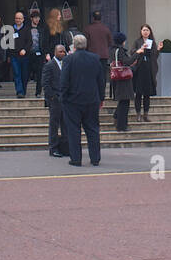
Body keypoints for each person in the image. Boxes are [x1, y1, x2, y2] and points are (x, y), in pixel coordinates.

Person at [60, 33, 105, 167]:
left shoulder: (68, 60)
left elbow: (64, 81)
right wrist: (101, 98)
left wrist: (63, 97)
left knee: (73, 130)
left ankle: (76, 158)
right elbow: (101, 80)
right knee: (93, 130)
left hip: (73, 101)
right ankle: (95, 158)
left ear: (74, 46)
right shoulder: (95, 59)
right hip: (91, 99)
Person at [42, 43, 69, 157]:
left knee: (65, 125)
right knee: (54, 125)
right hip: (54, 100)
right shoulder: (49, 65)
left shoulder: (67, 64)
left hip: (65, 100)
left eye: (64, 51)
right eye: (60, 51)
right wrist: (52, 97)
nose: (63, 53)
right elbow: (46, 83)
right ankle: (53, 148)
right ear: (55, 52)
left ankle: (64, 148)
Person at [131, 24, 158, 121]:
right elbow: (132, 52)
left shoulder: (152, 42)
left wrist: (157, 49)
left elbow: (155, 56)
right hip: (139, 69)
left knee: (147, 94)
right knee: (138, 93)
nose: (145, 32)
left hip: (149, 70)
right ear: (141, 31)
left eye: (147, 30)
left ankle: (146, 114)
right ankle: (138, 114)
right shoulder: (137, 42)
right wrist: (141, 49)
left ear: (150, 32)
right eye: (144, 30)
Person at [109, 32, 134, 132]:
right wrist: (137, 54)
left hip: (116, 78)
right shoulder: (120, 50)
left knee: (122, 101)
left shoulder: (113, 50)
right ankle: (121, 125)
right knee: (125, 101)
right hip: (123, 78)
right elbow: (127, 61)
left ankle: (116, 117)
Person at [84, 11, 112, 82]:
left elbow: (85, 44)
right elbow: (110, 43)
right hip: (103, 56)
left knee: (93, 75)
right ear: (101, 18)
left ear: (93, 18)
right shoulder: (106, 29)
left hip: (92, 55)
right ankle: (102, 92)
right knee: (102, 76)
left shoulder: (88, 29)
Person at [10, 10, 32, 98]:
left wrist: (25, 50)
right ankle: (19, 91)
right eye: (16, 18)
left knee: (24, 74)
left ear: (23, 19)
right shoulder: (11, 29)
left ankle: (23, 90)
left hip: (25, 56)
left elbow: (30, 42)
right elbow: (8, 42)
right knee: (16, 73)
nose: (18, 20)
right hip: (14, 56)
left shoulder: (27, 29)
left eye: (19, 18)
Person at [28, 8, 46, 97]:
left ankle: (38, 92)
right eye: (35, 18)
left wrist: (45, 52)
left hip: (40, 53)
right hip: (29, 53)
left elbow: (44, 41)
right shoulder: (28, 29)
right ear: (31, 18)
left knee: (40, 74)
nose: (37, 20)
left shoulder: (41, 29)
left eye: (38, 18)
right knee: (27, 72)